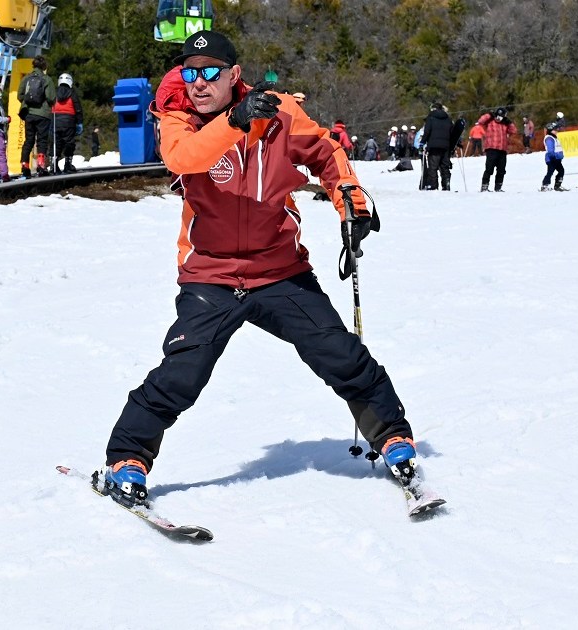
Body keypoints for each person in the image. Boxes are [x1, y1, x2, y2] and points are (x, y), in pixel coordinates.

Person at [99, 31, 422, 511]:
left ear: (234, 74)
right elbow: (183, 158)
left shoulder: (279, 114)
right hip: (211, 273)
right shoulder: (177, 117)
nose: (198, 82)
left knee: (338, 352)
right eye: (190, 71)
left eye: (211, 72)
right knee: (182, 373)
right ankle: (126, 460)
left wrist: (349, 199)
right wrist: (234, 121)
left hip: (278, 267)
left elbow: (326, 154)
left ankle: (392, 436)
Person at [18, 55, 56, 177]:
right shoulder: (47, 79)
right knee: (42, 140)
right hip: (43, 114)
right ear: (44, 66)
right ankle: (40, 165)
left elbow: (20, 95)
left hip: (29, 114)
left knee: (28, 140)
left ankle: (24, 166)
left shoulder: (26, 78)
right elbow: (51, 98)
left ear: (33, 65)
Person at [51, 72, 84, 173]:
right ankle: (67, 165)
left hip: (55, 120)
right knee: (69, 143)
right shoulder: (72, 93)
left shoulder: (54, 92)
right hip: (69, 121)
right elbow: (77, 108)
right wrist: (79, 122)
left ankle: (54, 166)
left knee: (56, 143)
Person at [478, 107, 516, 192]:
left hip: (502, 149)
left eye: (502, 116)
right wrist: (489, 115)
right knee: (489, 169)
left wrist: (509, 122)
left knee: (501, 170)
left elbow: (513, 131)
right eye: (498, 116)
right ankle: (484, 186)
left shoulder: (505, 124)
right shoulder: (490, 121)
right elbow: (481, 121)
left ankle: (498, 187)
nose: (499, 118)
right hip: (491, 148)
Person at [420, 101, 453, 191]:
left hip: (434, 146)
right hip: (446, 146)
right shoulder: (448, 118)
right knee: (445, 167)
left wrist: (422, 143)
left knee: (433, 167)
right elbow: (452, 132)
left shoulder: (430, 118)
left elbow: (427, 132)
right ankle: (446, 185)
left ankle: (433, 186)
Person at [540, 122, 566, 192]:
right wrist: (555, 156)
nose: (557, 130)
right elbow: (550, 150)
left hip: (557, 159)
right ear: (550, 130)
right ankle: (544, 185)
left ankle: (557, 185)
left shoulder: (554, 137)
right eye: (555, 129)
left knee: (561, 171)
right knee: (550, 172)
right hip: (552, 159)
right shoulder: (549, 138)